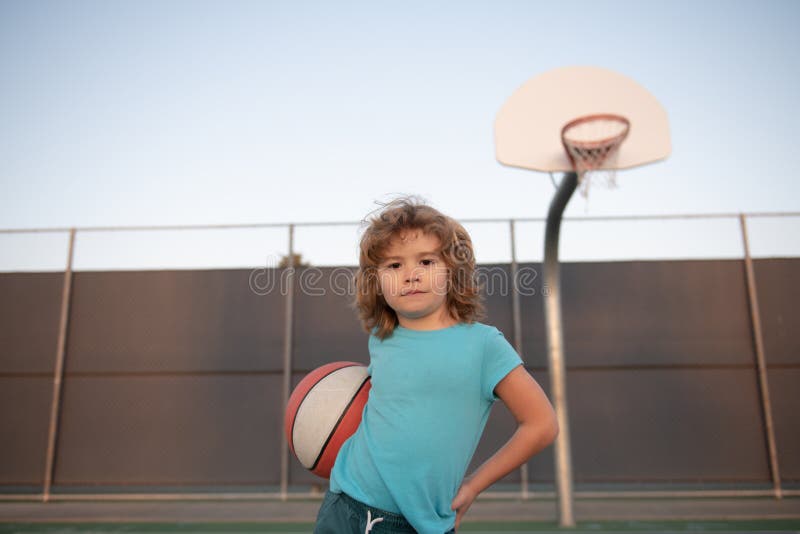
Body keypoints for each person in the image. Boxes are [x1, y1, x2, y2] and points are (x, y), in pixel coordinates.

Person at [314, 197, 558, 534]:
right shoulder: (381, 338)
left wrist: (473, 485)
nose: (410, 275)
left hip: (421, 525)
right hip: (345, 506)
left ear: (452, 271)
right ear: (377, 282)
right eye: (393, 266)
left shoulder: (484, 346)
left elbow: (541, 424)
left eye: (426, 261)